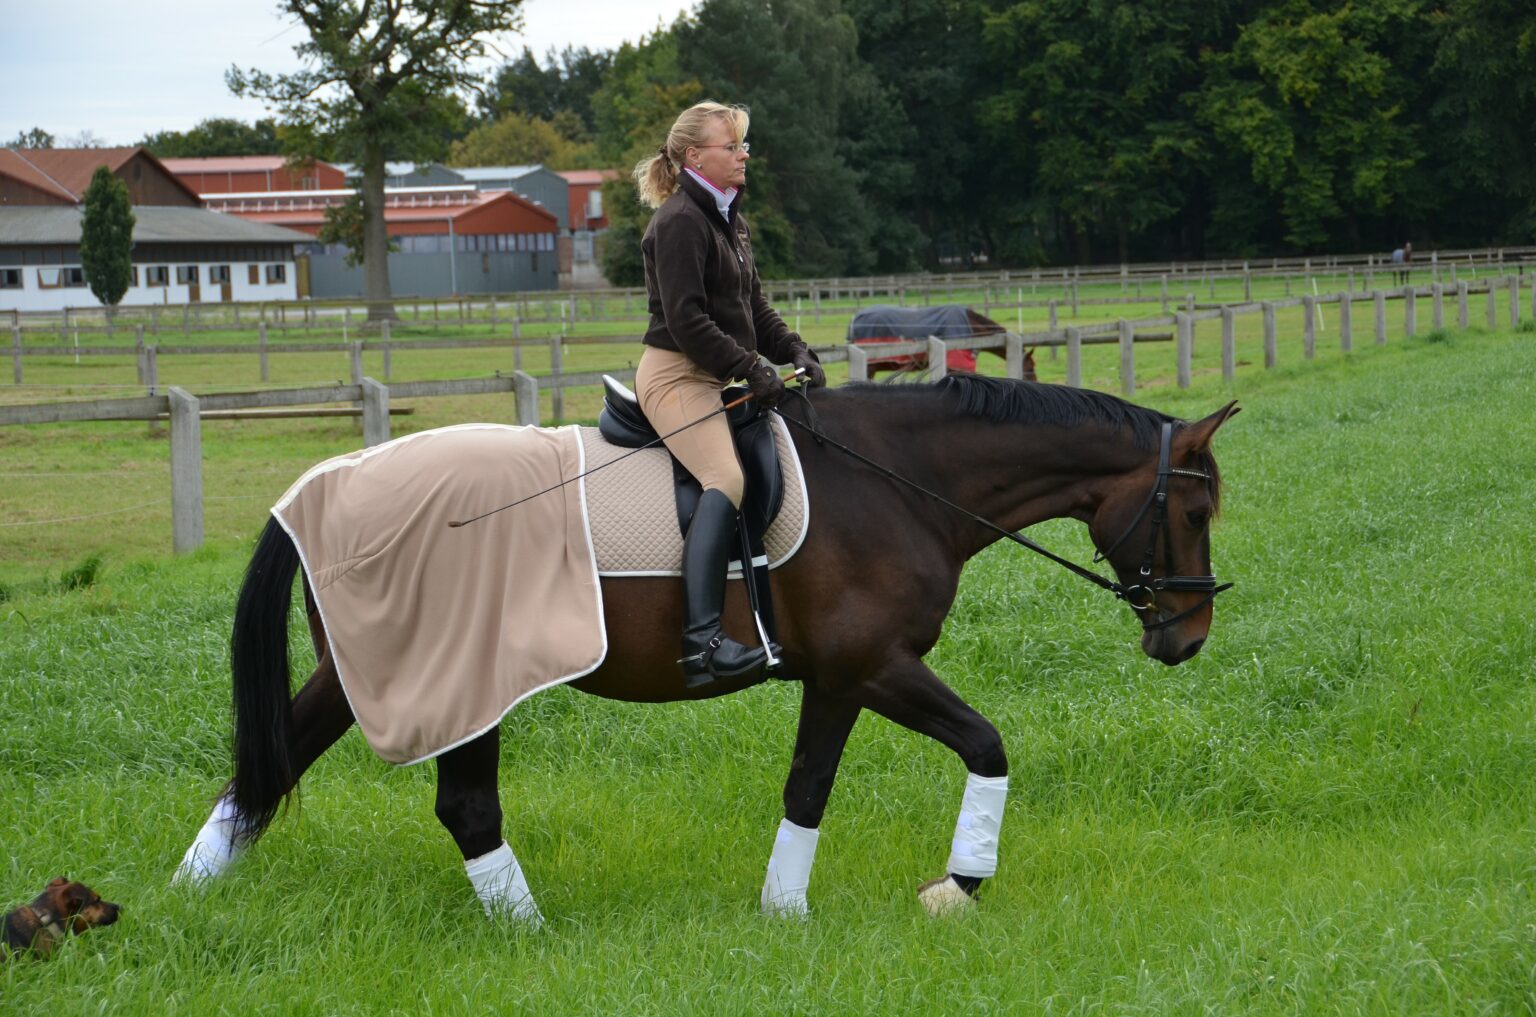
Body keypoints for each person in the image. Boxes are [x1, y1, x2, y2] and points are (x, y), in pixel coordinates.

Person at [631, 100, 825, 688]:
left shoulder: (728, 217)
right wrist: (749, 366)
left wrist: (792, 349)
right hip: (676, 376)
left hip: (714, 372)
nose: (744, 154)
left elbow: (752, 306)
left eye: (743, 145)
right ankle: (702, 646)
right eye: (732, 145)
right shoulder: (681, 221)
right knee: (727, 479)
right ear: (696, 156)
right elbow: (689, 322)